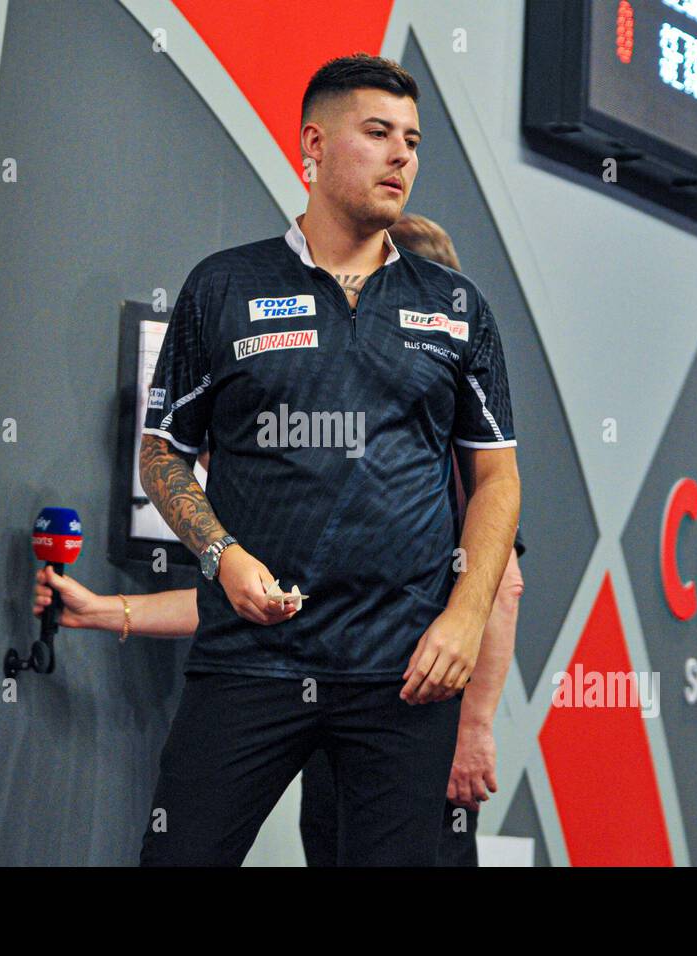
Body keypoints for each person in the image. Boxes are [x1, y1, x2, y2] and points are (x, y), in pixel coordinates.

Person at [84, 53, 518, 866]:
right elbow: (162, 453)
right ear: (313, 146)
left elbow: (497, 476)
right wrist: (221, 554)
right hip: (253, 661)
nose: (402, 156)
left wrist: (463, 617)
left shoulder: (458, 309)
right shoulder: (223, 288)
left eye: (414, 141)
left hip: (404, 673)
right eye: (379, 132)